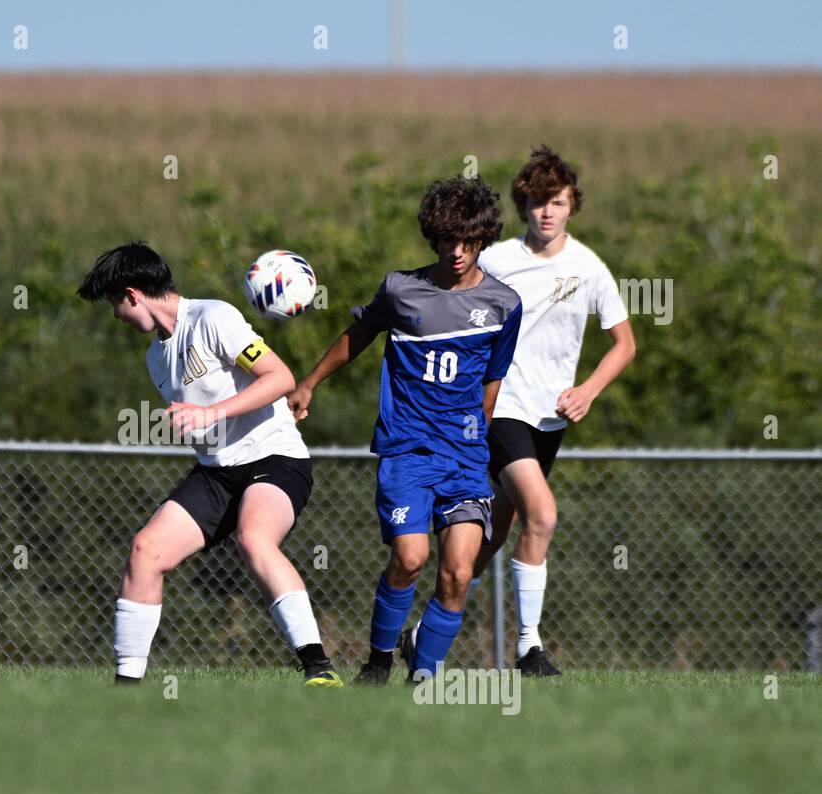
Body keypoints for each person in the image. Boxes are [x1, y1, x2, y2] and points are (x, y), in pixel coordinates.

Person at [76, 242, 342, 687]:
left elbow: (280, 378)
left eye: (114, 305)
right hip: (218, 470)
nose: (117, 316)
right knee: (146, 551)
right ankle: (124, 690)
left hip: (273, 458)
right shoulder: (155, 356)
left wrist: (210, 414)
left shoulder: (212, 318)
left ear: (133, 294)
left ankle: (319, 667)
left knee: (255, 538)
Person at [289, 176, 521, 684]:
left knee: (459, 574)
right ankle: (376, 662)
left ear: (483, 239)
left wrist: (474, 439)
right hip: (408, 452)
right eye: (446, 240)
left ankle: (424, 676)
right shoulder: (400, 289)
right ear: (432, 237)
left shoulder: (505, 305)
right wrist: (309, 383)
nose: (456, 252)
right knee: (411, 558)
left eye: (467, 241)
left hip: (463, 458)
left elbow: (491, 384)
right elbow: (359, 335)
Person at [469, 147, 635, 675]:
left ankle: (427, 628)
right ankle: (529, 648)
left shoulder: (587, 267)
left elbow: (624, 344)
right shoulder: (494, 261)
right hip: (502, 410)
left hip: (550, 419)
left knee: (496, 529)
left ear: (571, 207)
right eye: (539, 201)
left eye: (557, 202)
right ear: (524, 205)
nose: (547, 211)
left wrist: (587, 390)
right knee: (542, 515)